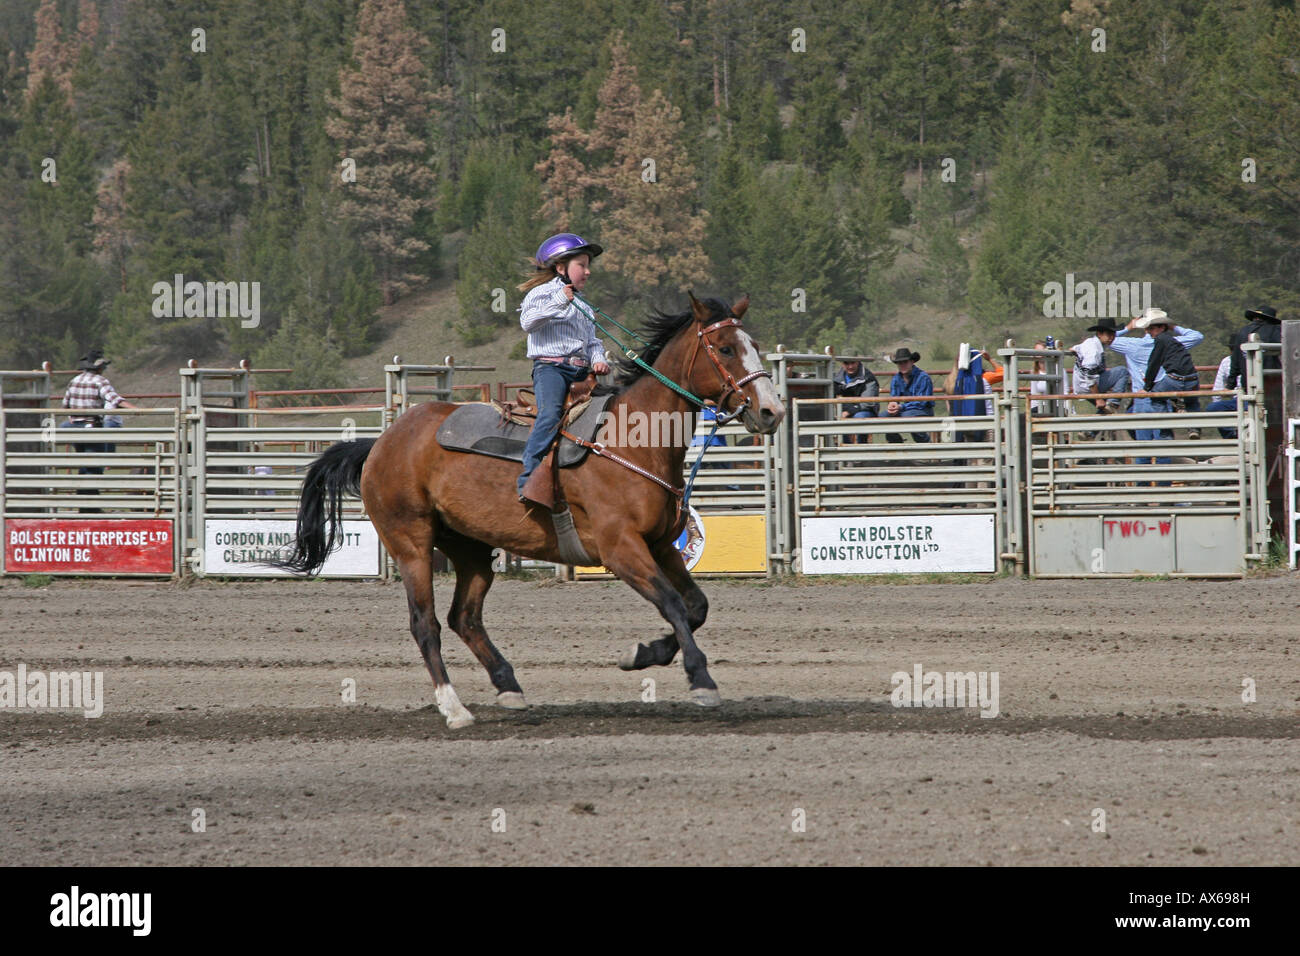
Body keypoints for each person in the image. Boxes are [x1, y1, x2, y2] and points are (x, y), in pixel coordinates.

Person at [515, 232, 611, 504]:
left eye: (587, 265)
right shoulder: (541, 294)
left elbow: (592, 342)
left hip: (583, 373)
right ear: (561, 267)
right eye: (581, 264)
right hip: (551, 369)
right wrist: (559, 301)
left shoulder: (584, 305)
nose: (588, 271)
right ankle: (527, 481)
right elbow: (528, 323)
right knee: (550, 414)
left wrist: (598, 359)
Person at [1110, 309, 1203, 468]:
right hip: (1166, 394)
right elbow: (1198, 336)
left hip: (1145, 396)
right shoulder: (1177, 341)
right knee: (1163, 447)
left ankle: (1143, 486)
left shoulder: (1131, 344)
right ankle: (1191, 425)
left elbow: (1104, 340)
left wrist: (1128, 328)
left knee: (1142, 448)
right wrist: (1174, 327)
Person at [61, 348, 137, 508]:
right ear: (99, 367)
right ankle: (89, 506)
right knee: (93, 466)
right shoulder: (100, 381)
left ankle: (85, 504)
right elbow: (114, 399)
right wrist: (135, 409)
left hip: (75, 427)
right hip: (91, 428)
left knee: (85, 464)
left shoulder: (74, 380)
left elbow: (65, 405)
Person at [1143, 312, 1202, 439]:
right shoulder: (1173, 342)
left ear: (1162, 328)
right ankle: (1194, 428)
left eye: (1152, 328)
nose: (1149, 332)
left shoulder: (1160, 339)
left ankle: (1165, 429)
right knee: (1192, 403)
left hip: (1175, 380)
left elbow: (1154, 363)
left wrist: (1147, 386)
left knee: (1156, 396)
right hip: (1193, 379)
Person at [1066, 317, 1130, 413]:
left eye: (1113, 334)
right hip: (1088, 387)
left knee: (1106, 413)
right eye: (1109, 334)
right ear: (1099, 334)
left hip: (1082, 385)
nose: (1111, 338)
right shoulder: (1094, 352)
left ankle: (1094, 426)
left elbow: (1075, 348)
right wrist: (1098, 398)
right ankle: (1113, 403)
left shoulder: (1089, 342)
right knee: (1122, 371)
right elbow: (1090, 377)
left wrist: (1073, 350)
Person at [1225, 305, 1281, 392]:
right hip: (1271, 383)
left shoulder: (1242, 332)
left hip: (1248, 384)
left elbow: (1235, 361)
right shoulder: (1275, 330)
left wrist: (1230, 384)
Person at [883, 347, 933, 444]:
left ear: (912, 362)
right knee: (883, 416)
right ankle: (896, 444)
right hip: (905, 410)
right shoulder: (897, 378)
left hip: (923, 410)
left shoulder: (923, 377)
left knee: (907, 416)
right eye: (899, 363)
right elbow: (894, 397)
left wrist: (901, 407)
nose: (902, 365)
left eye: (905, 362)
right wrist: (892, 405)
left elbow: (922, 402)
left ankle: (926, 444)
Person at [832, 357, 879, 444]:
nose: (850, 366)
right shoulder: (836, 379)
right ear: (842, 364)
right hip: (844, 410)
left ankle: (862, 447)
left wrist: (848, 411)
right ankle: (845, 448)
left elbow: (868, 402)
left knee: (859, 418)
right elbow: (831, 397)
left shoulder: (868, 377)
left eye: (852, 363)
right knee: (831, 419)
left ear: (858, 362)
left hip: (865, 410)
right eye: (846, 363)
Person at [1206, 348, 1237, 439]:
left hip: (1249, 400)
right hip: (1236, 400)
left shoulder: (1251, 359)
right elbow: (1218, 386)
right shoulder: (1226, 362)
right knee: (1213, 408)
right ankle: (1230, 436)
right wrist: (1216, 402)